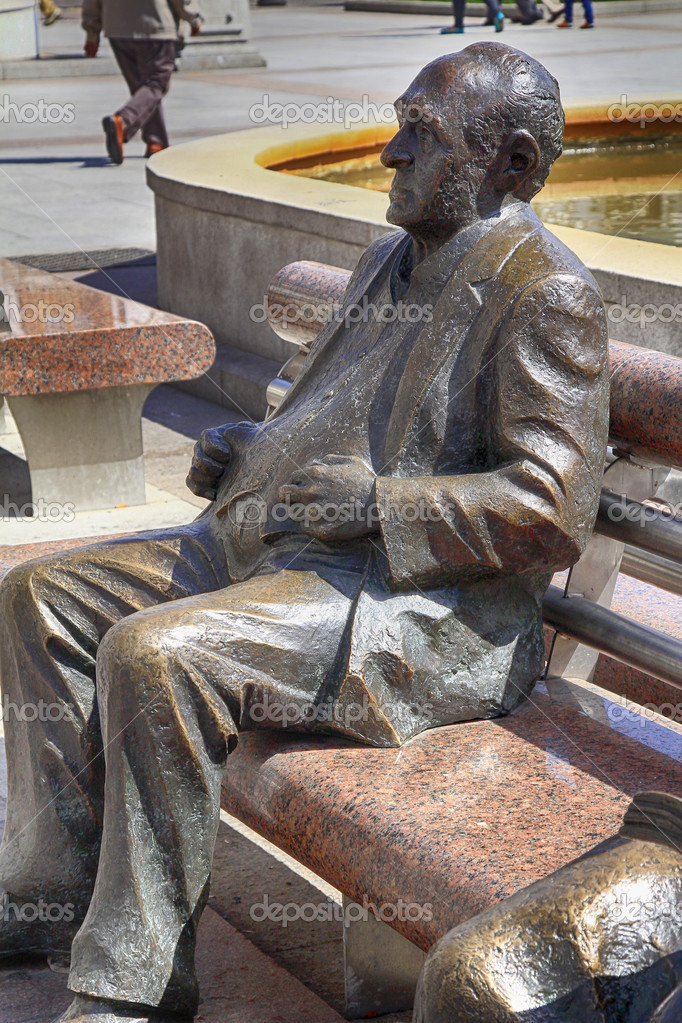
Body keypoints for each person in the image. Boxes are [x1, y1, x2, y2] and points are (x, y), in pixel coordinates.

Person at [0, 42, 610, 1023]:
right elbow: (329, 409)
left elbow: (551, 509)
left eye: (422, 134)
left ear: (513, 164)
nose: (391, 153)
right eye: (401, 124)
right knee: (42, 595)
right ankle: (47, 886)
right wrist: (250, 448)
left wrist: (379, 506)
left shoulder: (543, 291)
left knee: (156, 655)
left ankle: (132, 984)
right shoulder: (386, 257)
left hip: (409, 607)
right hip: (276, 554)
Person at [81, 0, 203, 163]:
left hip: (117, 27)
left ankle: (156, 142)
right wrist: (193, 17)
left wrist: (92, 32)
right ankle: (123, 121)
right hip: (155, 24)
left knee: (142, 91)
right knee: (156, 84)